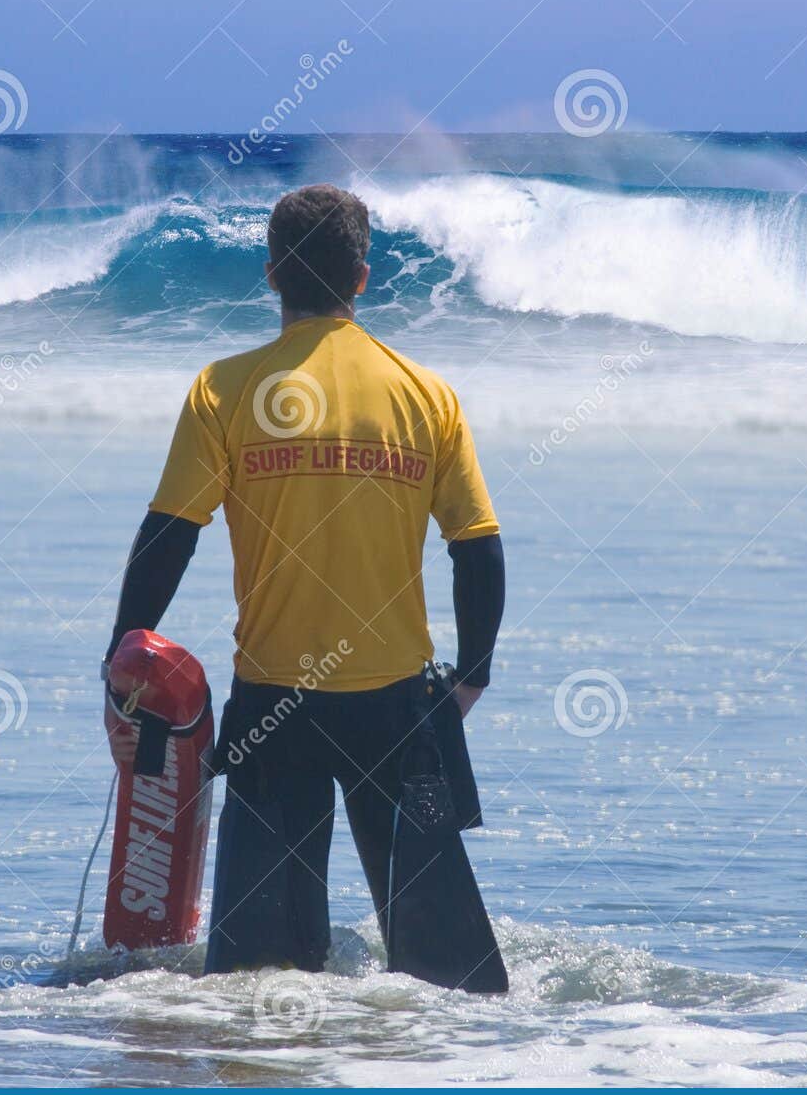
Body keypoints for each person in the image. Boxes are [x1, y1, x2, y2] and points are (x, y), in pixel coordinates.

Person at [103, 184, 508, 993]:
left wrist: (126, 659)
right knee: (451, 986)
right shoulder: (425, 395)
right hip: (393, 709)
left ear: (270, 275)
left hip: (273, 711)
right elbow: (478, 549)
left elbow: (170, 536)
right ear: (361, 278)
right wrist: (472, 675)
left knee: (254, 984)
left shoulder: (225, 390)